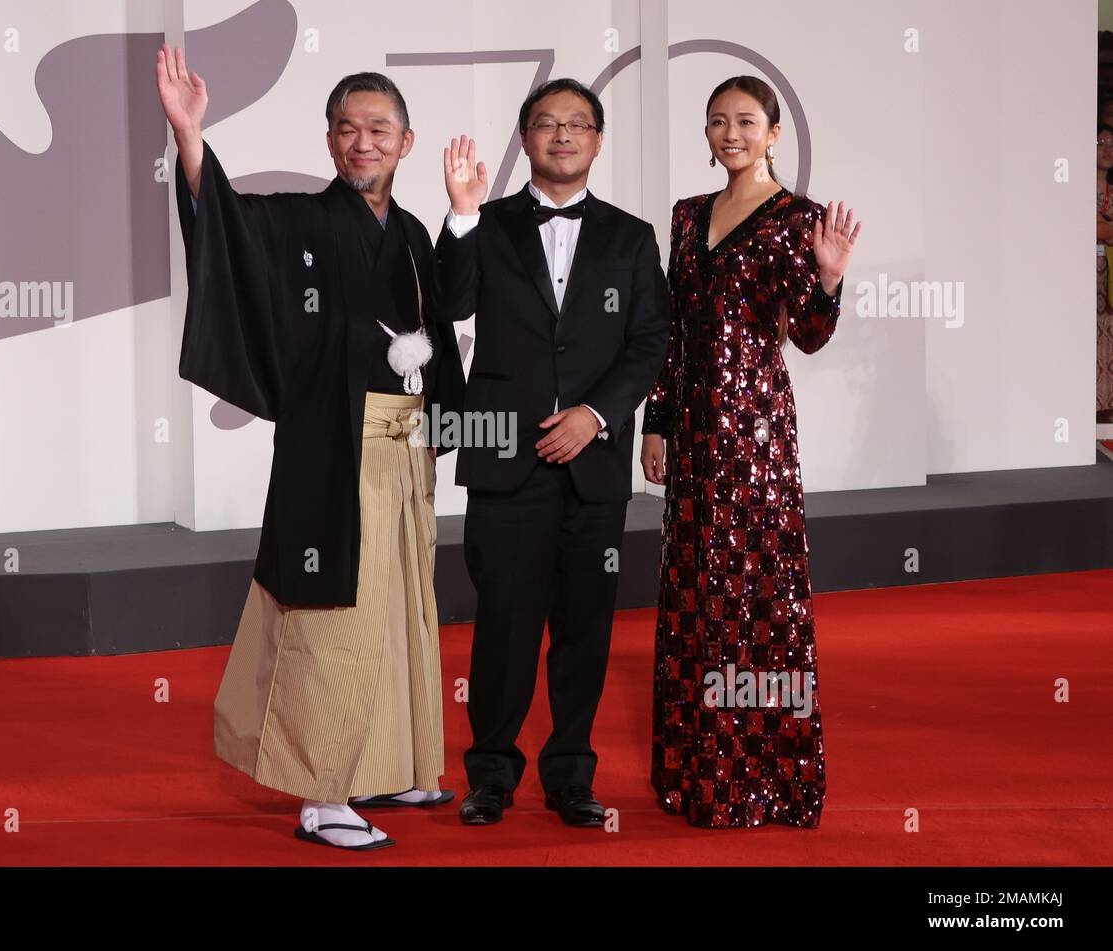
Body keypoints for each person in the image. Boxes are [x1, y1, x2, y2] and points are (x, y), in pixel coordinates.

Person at [156, 44, 465, 850]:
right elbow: (223, 218)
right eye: (346, 129)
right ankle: (322, 795)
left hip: (405, 452)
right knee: (332, 620)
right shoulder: (295, 217)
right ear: (330, 142)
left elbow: (451, 314)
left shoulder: (412, 237)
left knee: (401, 607)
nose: (362, 142)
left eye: (378, 129)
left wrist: (462, 218)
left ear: (404, 140)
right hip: (331, 450)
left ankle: (392, 760)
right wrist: (191, 140)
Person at [436, 79, 670, 827]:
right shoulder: (490, 222)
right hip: (505, 460)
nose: (562, 135)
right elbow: (448, 304)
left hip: (593, 466)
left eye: (577, 124)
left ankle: (572, 774)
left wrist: (596, 416)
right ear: (526, 139)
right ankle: (491, 776)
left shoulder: (632, 237)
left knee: (584, 628)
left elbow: (650, 343)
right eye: (546, 124)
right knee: (503, 623)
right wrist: (462, 214)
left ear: (598, 140)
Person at [640, 75, 859, 828]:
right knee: (699, 598)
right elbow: (671, 331)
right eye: (717, 122)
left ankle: (766, 778)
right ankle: (702, 774)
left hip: (756, 435)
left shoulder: (799, 218)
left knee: (757, 600)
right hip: (695, 434)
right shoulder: (685, 216)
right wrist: (655, 422)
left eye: (745, 121)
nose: (730, 133)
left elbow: (808, 334)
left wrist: (828, 277)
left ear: (773, 132)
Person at [1097, 125, 1113, 424]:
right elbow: (1097, 231)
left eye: (1112, 143)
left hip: (1107, 269)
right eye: (1100, 142)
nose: (1107, 149)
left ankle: (1105, 403)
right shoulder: (1075, 186)